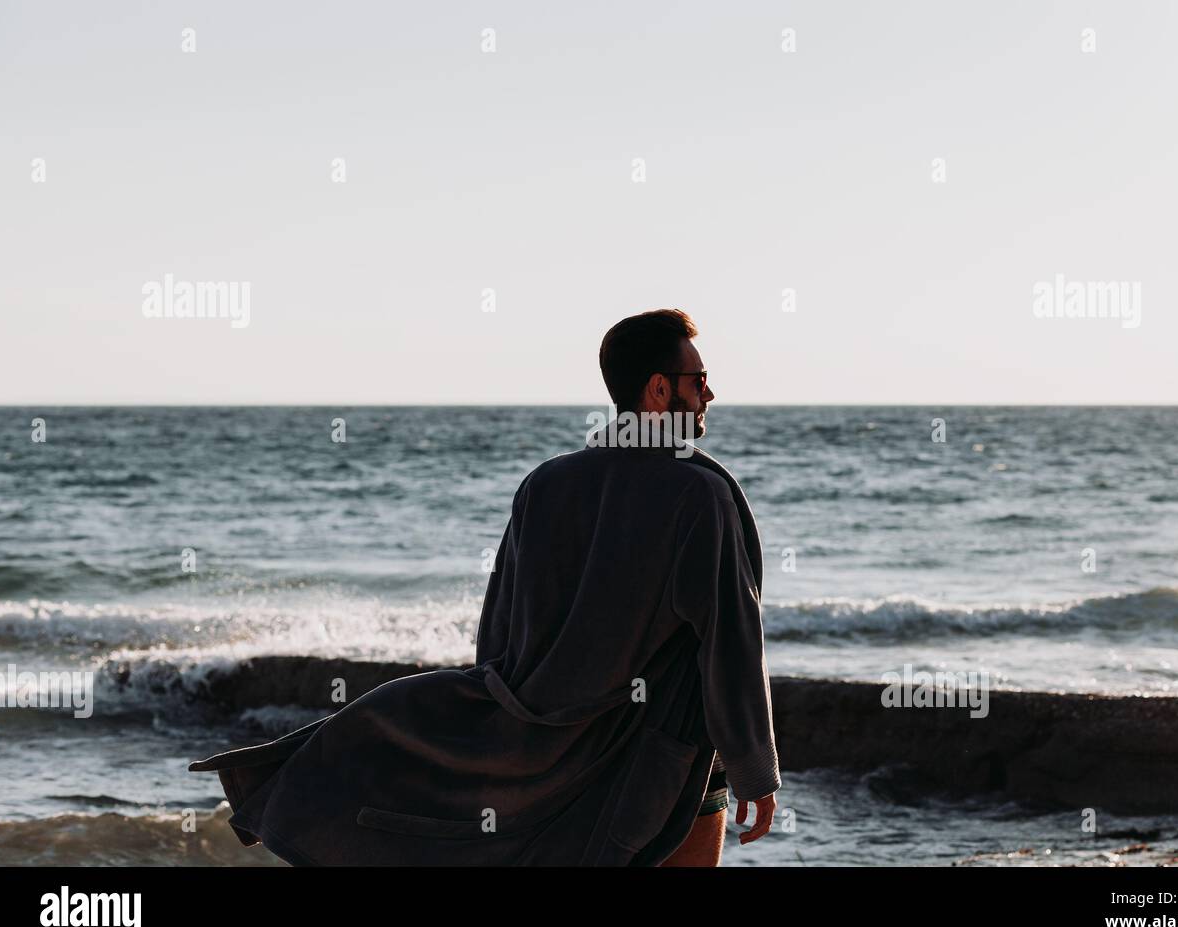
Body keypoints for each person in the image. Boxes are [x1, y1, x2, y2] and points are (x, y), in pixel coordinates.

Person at [189, 308, 779, 865]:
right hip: (662, 759)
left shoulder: (545, 485)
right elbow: (729, 641)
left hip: (551, 757)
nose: (708, 393)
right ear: (657, 391)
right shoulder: (700, 496)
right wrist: (754, 769)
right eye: (697, 379)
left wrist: (503, 747)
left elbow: (501, 632)